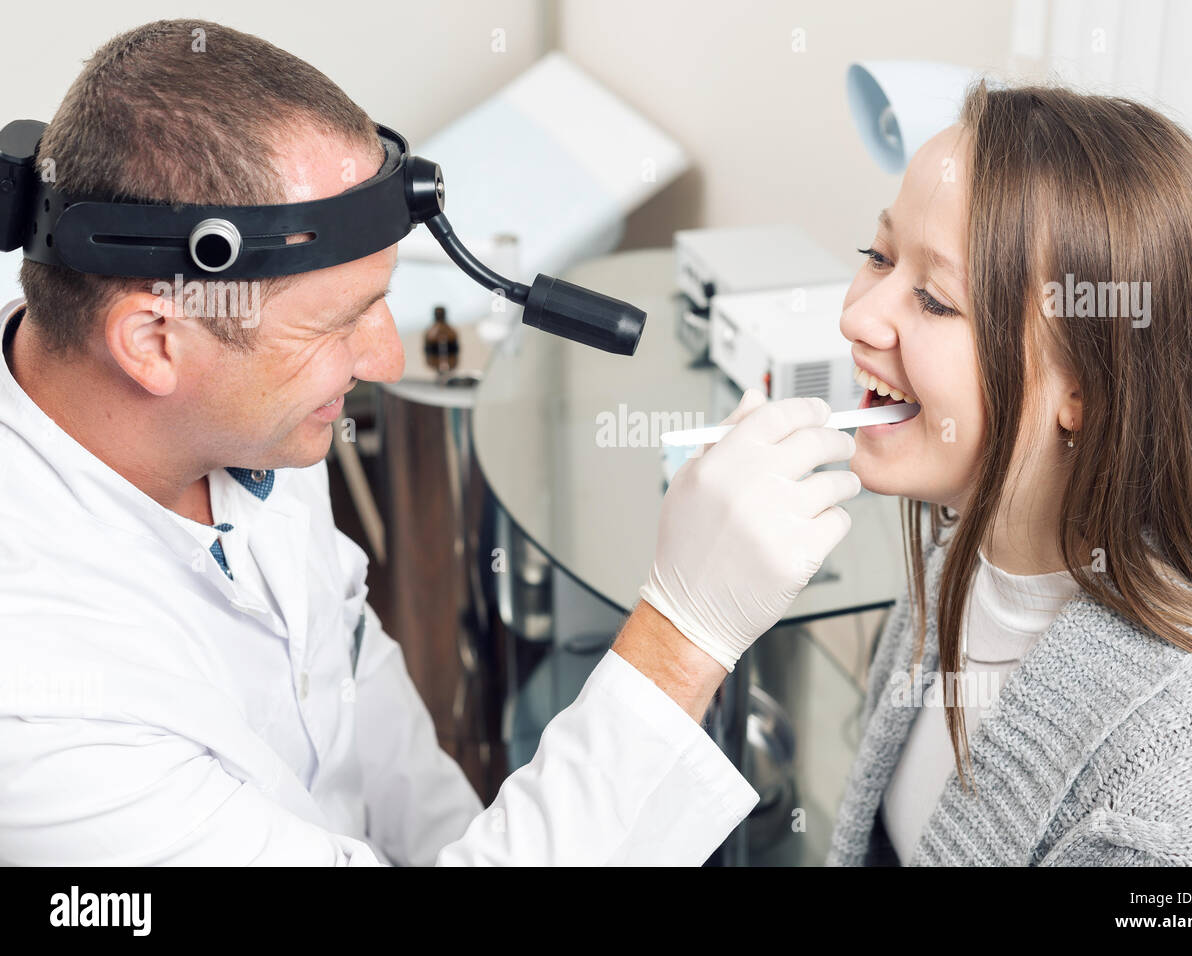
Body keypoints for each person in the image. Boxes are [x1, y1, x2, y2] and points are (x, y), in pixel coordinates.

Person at [0, 19, 861, 865]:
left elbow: (350, 679)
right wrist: (685, 634)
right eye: (339, 324)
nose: (386, 355)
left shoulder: (238, 422)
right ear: (155, 342)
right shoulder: (42, 709)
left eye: (379, 300)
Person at [829, 80, 1192, 866]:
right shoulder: (953, 562)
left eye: (935, 302)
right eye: (877, 255)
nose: (858, 316)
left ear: (1083, 386)